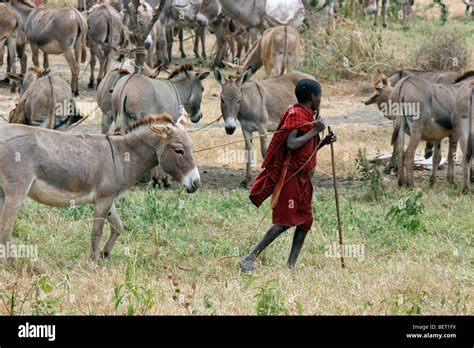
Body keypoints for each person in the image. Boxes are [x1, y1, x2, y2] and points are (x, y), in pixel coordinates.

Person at [239, 79, 336, 272]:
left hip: (304, 179)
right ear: (312, 97)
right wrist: (315, 130)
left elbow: (305, 148)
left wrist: (323, 141)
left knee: (305, 221)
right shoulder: (297, 114)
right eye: (319, 97)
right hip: (291, 177)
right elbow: (291, 144)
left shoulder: (306, 115)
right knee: (284, 221)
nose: (320, 100)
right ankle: (249, 258)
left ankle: (291, 265)